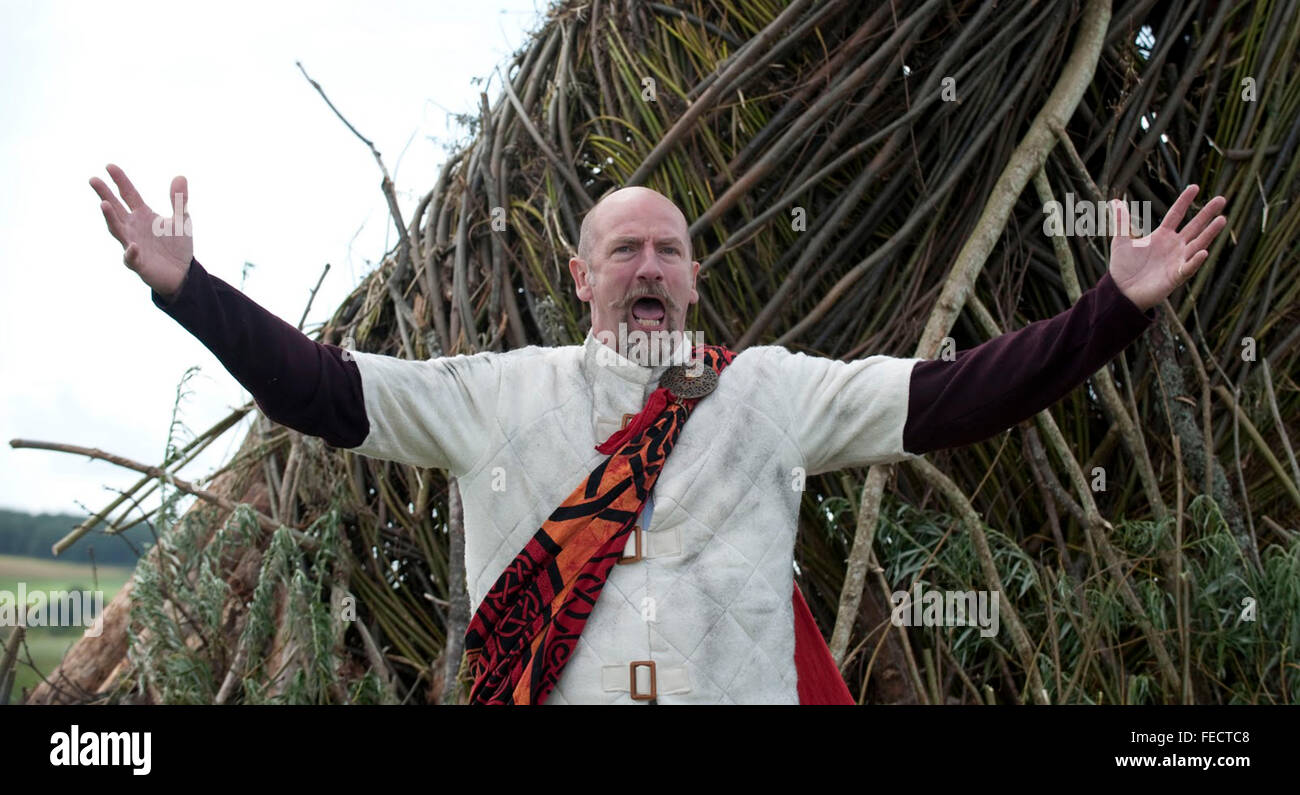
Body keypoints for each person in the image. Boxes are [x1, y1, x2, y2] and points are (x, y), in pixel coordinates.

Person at [90, 164, 1227, 704]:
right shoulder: (491, 394)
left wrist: (1111, 310)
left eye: (667, 251)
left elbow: (957, 395)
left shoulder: (771, 394)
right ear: (582, 277)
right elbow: (323, 392)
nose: (647, 267)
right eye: (623, 251)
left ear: (691, 280)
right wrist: (190, 289)